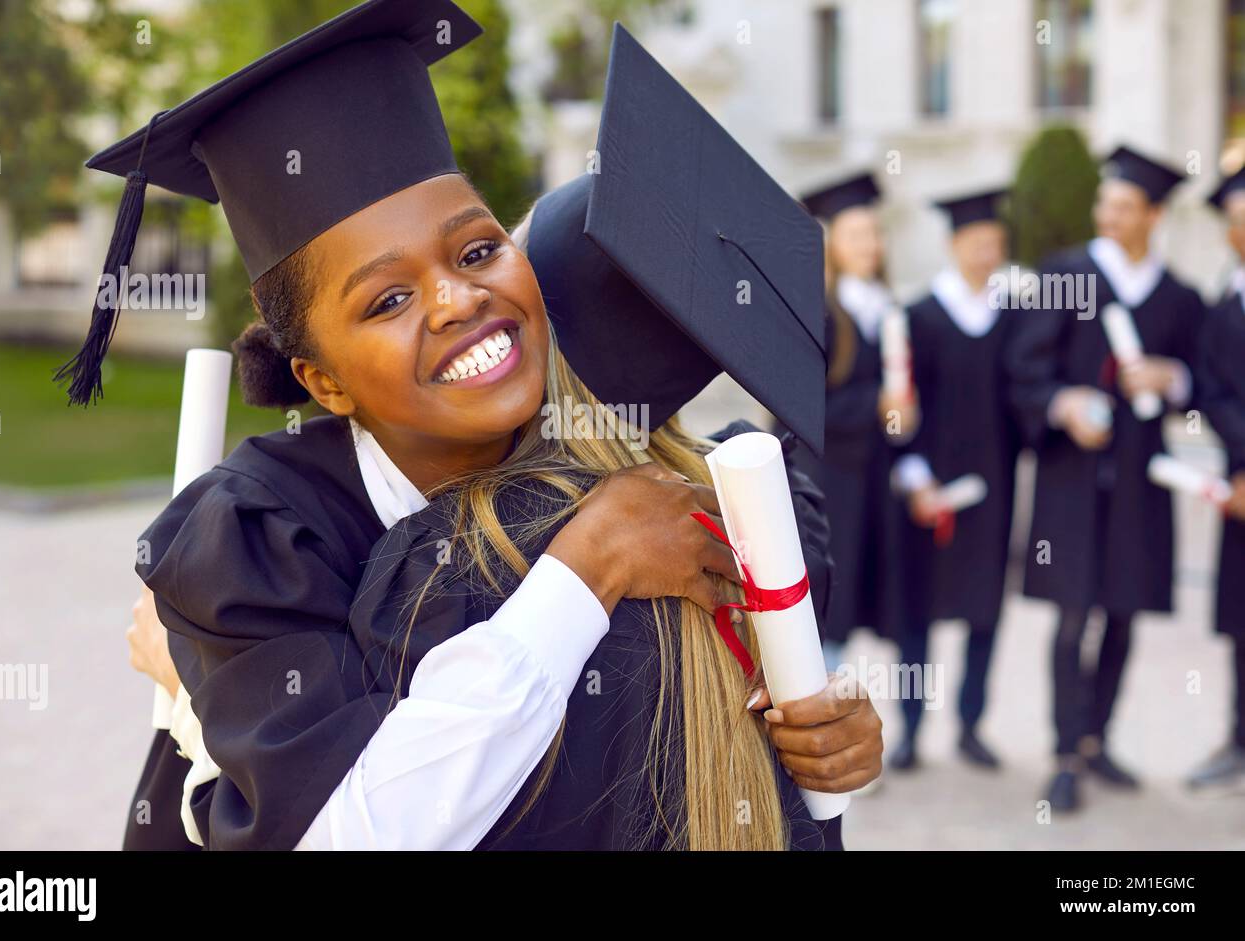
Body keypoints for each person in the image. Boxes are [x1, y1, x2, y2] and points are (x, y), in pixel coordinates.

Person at [86, 4, 881, 850]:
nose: (459, 299)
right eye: (388, 300)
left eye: (475, 252)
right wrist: (587, 567)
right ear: (321, 380)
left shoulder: (633, 472)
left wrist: (821, 729)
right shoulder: (258, 534)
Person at [1007, 145, 1205, 812]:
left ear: (1154, 214)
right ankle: (1064, 754)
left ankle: (1097, 739)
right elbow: (1024, 367)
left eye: (1123, 207)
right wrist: (1061, 404)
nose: (1109, 216)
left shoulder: (1179, 297)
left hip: (1139, 482)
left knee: (1123, 614)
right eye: (1105, 204)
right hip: (1072, 477)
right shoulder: (1067, 274)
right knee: (1071, 620)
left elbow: (1204, 385)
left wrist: (1172, 378)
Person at [890, 189, 1020, 771]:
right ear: (953, 245)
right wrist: (913, 475)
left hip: (994, 487)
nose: (985, 253)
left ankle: (971, 724)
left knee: (984, 611)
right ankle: (912, 730)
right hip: (928, 488)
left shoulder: (1014, 319)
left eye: (994, 244)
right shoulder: (919, 316)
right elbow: (902, 407)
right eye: (975, 243)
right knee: (919, 611)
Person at [785, 173, 916, 670]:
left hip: (875, 477)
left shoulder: (891, 312)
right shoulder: (816, 314)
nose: (871, 246)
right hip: (827, 481)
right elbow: (799, 408)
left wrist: (904, 415)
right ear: (833, 243)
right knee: (828, 602)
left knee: (867, 593)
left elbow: (901, 408)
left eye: (876, 235)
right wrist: (875, 405)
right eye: (857, 235)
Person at [1185, 166, 1245, 794]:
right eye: (1235, 223)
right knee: (1241, 625)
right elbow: (1213, 393)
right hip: (1242, 491)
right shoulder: (1225, 307)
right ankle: (1240, 739)